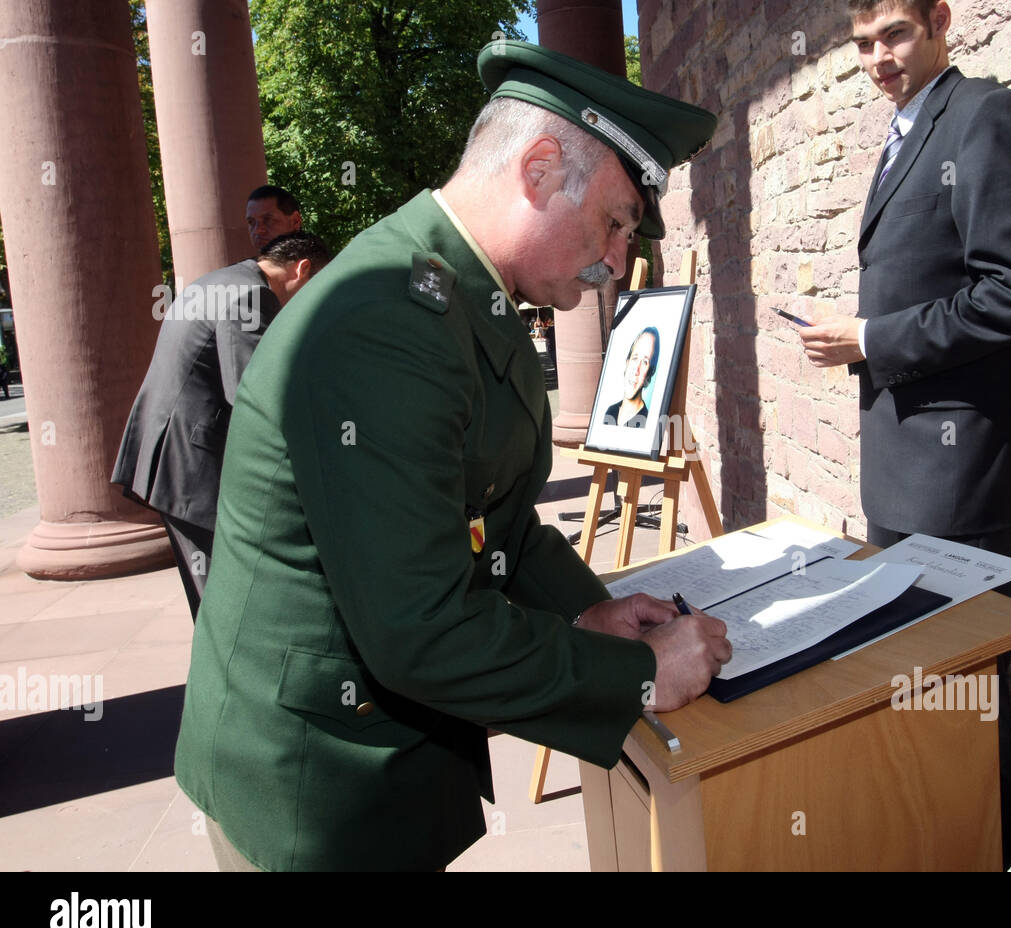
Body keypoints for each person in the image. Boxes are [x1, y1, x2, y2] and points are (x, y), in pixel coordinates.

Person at [173, 40, 731, 871]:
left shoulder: (451, 291)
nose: (617, 261)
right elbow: (420, 631)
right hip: (315, 785)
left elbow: (491, 514)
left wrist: (587, 611)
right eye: (614, 223)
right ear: (539, 170)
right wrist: (637, 676)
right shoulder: (385, 322)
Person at [795, 0, 1011, 870]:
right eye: (863, 44)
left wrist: (869, 339)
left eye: (895, 35)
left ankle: (989, 853)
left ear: (940, 19)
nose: (878, 59)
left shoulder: (983, 114)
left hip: (953, 473)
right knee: (916, 686)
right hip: (900, 469)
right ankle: (935, 846)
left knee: (960, 692)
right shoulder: (903, 134)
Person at [111, 232, 333, 619]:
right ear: (303, 269)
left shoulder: (219, 280)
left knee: (210, 591)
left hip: (172, 451)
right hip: (192, 466)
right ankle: (225, 677)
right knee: (225, 601)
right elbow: (256, 396)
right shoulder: (252, 296)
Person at [604, 326, 658, 428]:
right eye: (635, 358)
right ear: (627, 363)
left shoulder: (647, 423)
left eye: (645, 362)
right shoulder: (610, 412)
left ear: (649, 376)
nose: (636, 370)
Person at [245, 185, 303, 252]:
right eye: (251, 222)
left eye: (268, 220)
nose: (257, 231)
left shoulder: (315, 260)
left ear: (295, 221)